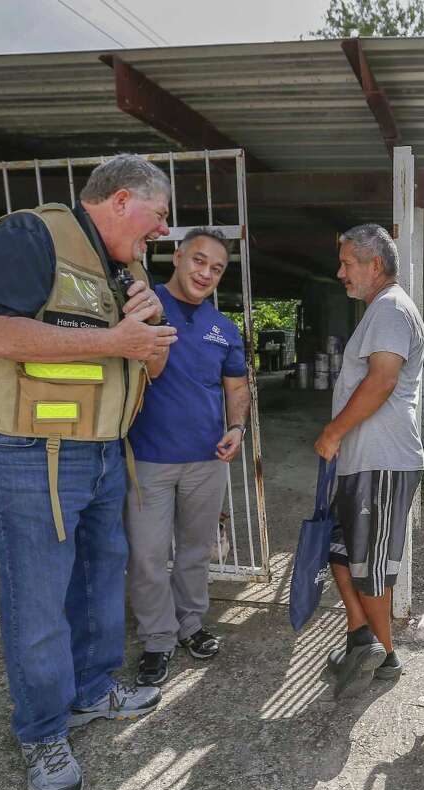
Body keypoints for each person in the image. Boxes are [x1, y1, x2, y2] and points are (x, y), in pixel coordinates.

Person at [0, 154, 177, 790]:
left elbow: (148, 367)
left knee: (97, 582)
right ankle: (43, 731)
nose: (161, 232)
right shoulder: (30, 235)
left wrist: (153, 331)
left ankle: (91, 690)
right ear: (120, 200)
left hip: (104, 451)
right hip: (31, 450)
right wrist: (118, 341)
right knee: (39, 599)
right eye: (158, 216)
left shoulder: (128, 270)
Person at [124, 227, 250, 687]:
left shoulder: (223, 328)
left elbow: (236, 386)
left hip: (206, 459)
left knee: (195, 551)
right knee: (148, 556)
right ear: (177, 257)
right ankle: (158, 638)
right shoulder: (144, 304)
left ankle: (191, 625)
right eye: (199, 261)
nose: (206, 273)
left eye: (216, 268)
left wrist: (236, 427)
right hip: (149, 459)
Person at [314, 224, 424, 695]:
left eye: (347, 263)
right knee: (341, 553)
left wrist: (333, 431)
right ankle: (363, 639)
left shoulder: (390, 308)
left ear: (374, 264)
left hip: (382, 461)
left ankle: (387, 658)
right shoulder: (380, 311)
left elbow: (380, 382)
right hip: (362, 462)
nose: (340, 272)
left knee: (369, 568)